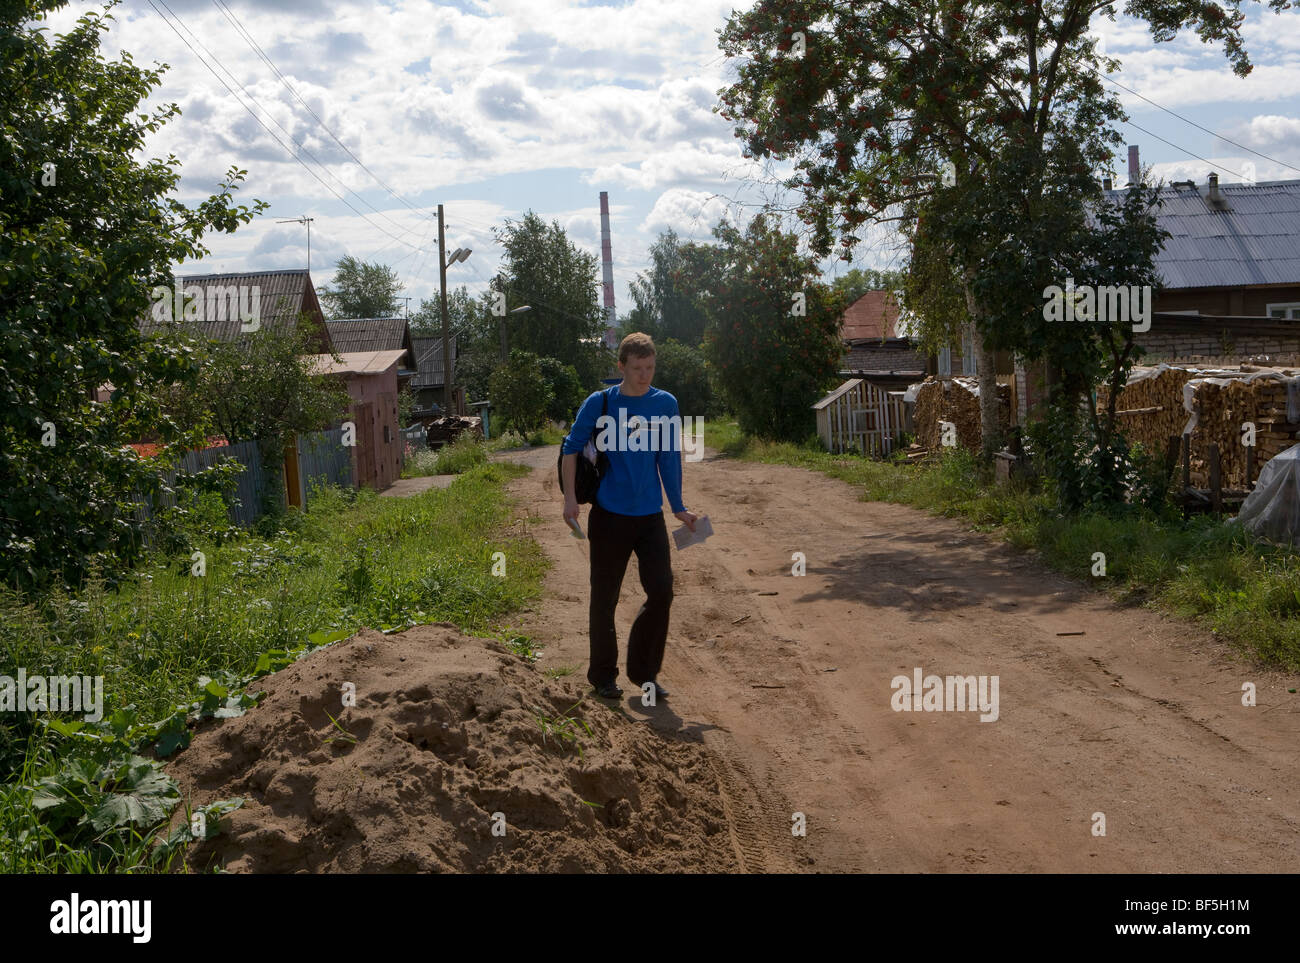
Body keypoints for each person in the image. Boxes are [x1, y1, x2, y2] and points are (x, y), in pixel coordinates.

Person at [561, 333, 698, 701]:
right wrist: (570, 499)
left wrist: (679, 506)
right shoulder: (601, 402)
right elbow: (571, 449)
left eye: (650, 367)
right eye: (637, 368)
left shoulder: (664, 404)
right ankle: (603, 676)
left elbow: (668, 457)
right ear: (621, 366)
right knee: (604, 598)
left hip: (649, 516)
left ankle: (644, 673)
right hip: (608, 516)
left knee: (662, 591)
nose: (644, 375)